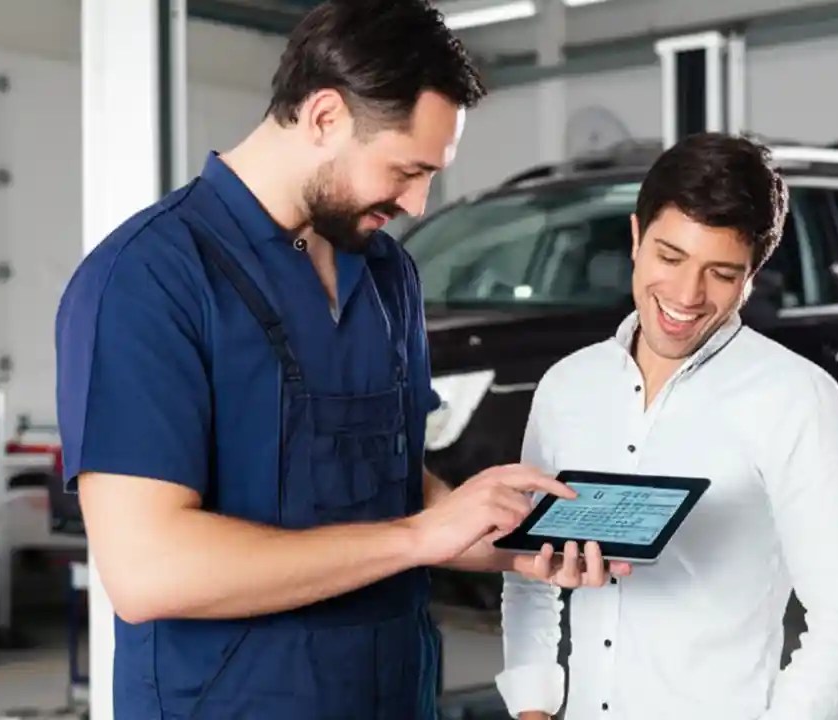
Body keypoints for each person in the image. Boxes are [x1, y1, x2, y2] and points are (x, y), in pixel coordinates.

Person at [54, 2, 623, 717]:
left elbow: (390, 481)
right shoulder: (147, 279)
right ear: (325, 116)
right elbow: (148, 571)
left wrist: (520, 536)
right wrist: (418, 538)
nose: (417, 203)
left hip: (392, 692)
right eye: (406, 170)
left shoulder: (387, 273)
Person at [494, 133, 838, 720]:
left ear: (753, 274)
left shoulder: (796, 399)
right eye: (670, 257)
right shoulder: (566, 389)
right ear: (635, 238)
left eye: (721, 273)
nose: (685, 295)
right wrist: (532, 706)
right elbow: (530, 577)